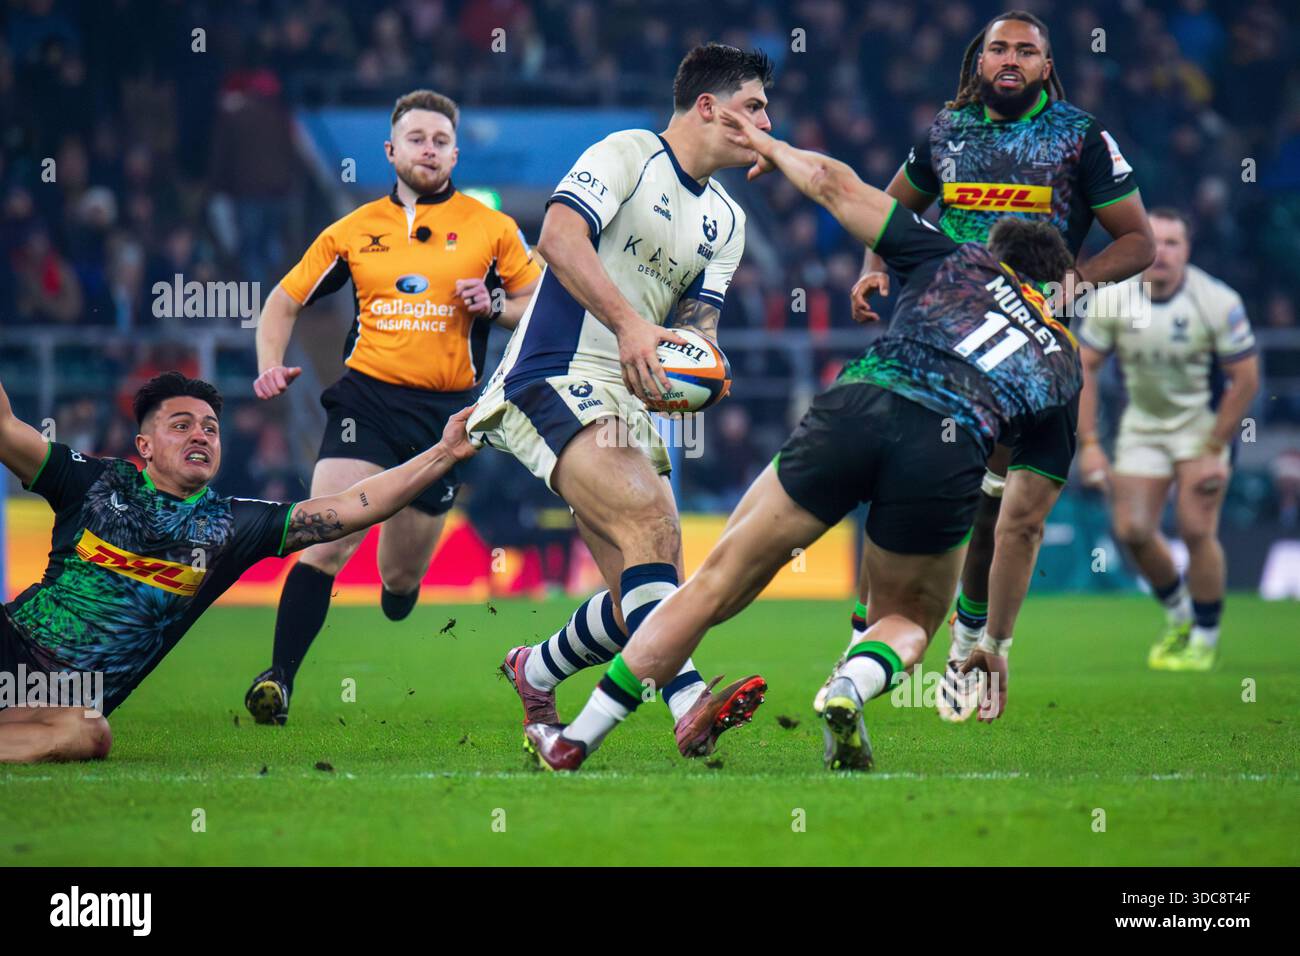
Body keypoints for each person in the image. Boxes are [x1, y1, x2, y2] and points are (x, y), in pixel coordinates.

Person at [523, 107, 1083, 772]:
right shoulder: (1064, 365)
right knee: (908, 617)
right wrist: (992, 640)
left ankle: (575, 738)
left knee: (710, 584)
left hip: (857, 408)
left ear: (1001, 259)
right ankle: (849, 684)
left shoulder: (958, 259)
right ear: (1056, 289)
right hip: (945, 448)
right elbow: (1020, 525)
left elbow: (837, 187)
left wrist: (773, 146)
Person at [840, 10, 1155, 721]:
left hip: (1028, 350)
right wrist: (870, 266)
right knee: (904, 482)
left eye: (1026, 50)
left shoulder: (1080, 137)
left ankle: (976, 649)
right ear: (977, 60)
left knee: (1000, 510)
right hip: (939, 336)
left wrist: (1078, 280)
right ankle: (865, 636)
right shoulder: (946, 132)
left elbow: (1138, 241)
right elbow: (888, 205)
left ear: (1046, 65)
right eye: (997, 49)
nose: (1009, 59)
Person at [467, 43, 772, 758]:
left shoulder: (728, 221)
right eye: (754, 106)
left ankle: (534, 670)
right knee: (647, 525)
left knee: (647, 577)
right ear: (709, 107)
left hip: (629, 394)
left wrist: (695, 369)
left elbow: (697, 326)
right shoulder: (628, 152)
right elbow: (558, 238)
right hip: (554, 369)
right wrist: (632, 326)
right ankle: (691, 706)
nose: (765, 120)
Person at [244, 89, 540, 725]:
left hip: (448, 417)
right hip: (365, 402)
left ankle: (399, 590)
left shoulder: (494, 229)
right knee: (325, 538)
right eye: (415, 139)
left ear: (455, 152)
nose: (427, 149)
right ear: (391, 150)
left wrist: (495, 304)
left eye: (439, 140)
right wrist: (269, 364)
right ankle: (279, 680)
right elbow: (284, 299)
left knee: (401, 578)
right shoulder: (355, 230)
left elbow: (538, 303)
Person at [0, 372, 477, 762]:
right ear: (144, 445)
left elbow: (354, 507)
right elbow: (5, 428)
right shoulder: (93, 482)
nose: (200, 436)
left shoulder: (231, 525)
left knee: (91, 736)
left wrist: (443, 453)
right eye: (181, 425)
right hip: (10, 644)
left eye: (210, 428)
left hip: (55, 706)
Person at [1077, 209, 1259, 671]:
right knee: (1132, 531)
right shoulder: (1113, 299)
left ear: (1188, 250)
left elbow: (1247, 378)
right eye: (1155, 242)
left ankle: (1205, 636)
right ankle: (1180, 613)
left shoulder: (1216, 300)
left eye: (1174, 243)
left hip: (1203, 428)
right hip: (1142, 426)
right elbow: (1085, 367)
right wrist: (1091, 444)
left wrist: (1217, 447)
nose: (1163, 253)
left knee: (1197, 529)